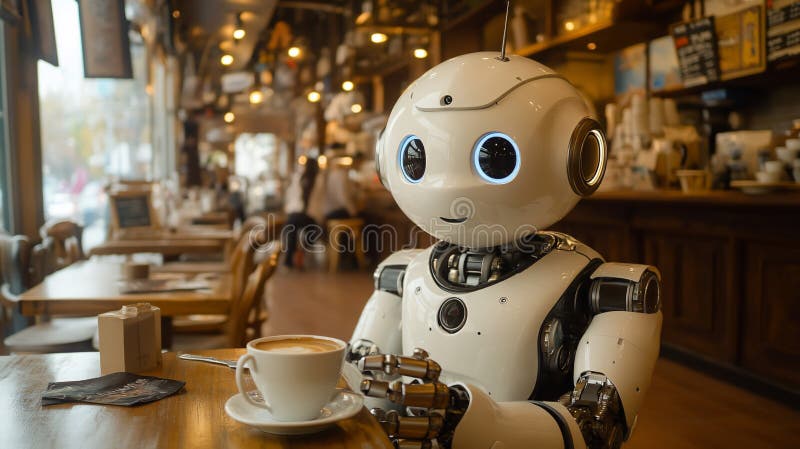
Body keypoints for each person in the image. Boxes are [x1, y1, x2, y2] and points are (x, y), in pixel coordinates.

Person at [281, 157, 319, 268]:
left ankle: (288, 259)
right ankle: (301, 251)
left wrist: (287, 209)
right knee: (314, 231)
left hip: (294, 212)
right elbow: (319, 201)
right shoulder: (318, 179)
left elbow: (290, 195)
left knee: (291, 232)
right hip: (309, 216)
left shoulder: (297, 177)